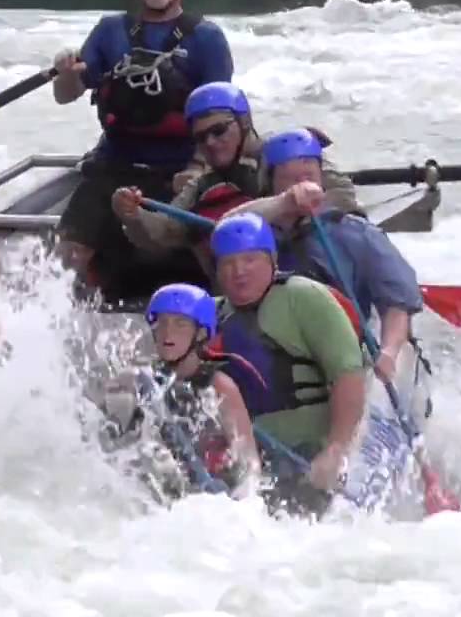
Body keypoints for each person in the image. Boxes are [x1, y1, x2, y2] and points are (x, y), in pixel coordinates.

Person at [50, 0, 235, 303]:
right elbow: (65, 94)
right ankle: (61, 317)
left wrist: (199, 168)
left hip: (180, 169)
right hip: (114, 164)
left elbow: (220, 116)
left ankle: (223, 309)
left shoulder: (207, 39)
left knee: (199, 242)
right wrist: (66, 71)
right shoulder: (109, 31)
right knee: (69, 254)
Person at [231, 128, 425, 387]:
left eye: (308, 176)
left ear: (321, 179)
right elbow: (226, 227)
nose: (301, 186)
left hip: (344, 353)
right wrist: (283, 204)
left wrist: (389, 352)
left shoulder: (355, 233)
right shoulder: (254, 235)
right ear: (271, 185)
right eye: (289, 179)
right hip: (281, 354)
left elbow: (397, 303)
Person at [112, 83, 361, 281]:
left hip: (312, 275)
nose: (210, 142)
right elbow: (164, 231)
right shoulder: (203, 186)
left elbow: (343, 195)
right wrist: (133, 215)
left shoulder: (285, 153)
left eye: (218, 130)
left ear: (244, 124)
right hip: (246, 295)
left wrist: (297, 208)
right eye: (200, 137)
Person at [207, 212, 368, 515]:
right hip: (254, 456)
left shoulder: (304, 298)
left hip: (309, 448)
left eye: (250, 260)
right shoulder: (214, 315)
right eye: (228, 263)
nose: (238, 271)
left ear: (272, 260)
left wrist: (335, 449)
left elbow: (348, 375)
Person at [101, 283, 262, 500]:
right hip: (154, 491)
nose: (168, 332)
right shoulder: (135, 379)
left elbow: (248, 462)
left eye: (180, 324)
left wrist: (243, 501)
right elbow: (106, 443)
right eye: (162, 323)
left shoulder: (219, 387)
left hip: (209, 494)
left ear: (201, 333)